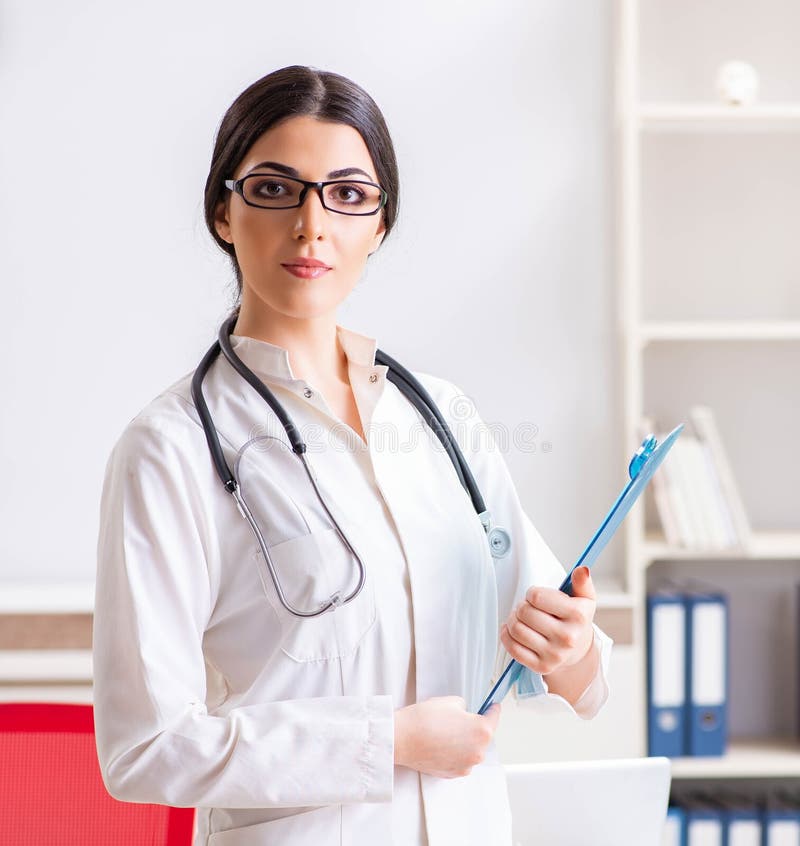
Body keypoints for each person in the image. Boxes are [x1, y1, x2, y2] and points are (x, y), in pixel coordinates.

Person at [93, 65, 613, 846]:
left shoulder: (439, 416)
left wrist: (569, 651)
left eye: (347, 194)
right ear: (223, 214)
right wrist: (387, 742)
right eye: (275, 189)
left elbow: (579, 672)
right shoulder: (169, 448)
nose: (312, 225)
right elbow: (144, 750)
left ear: (379, 223)